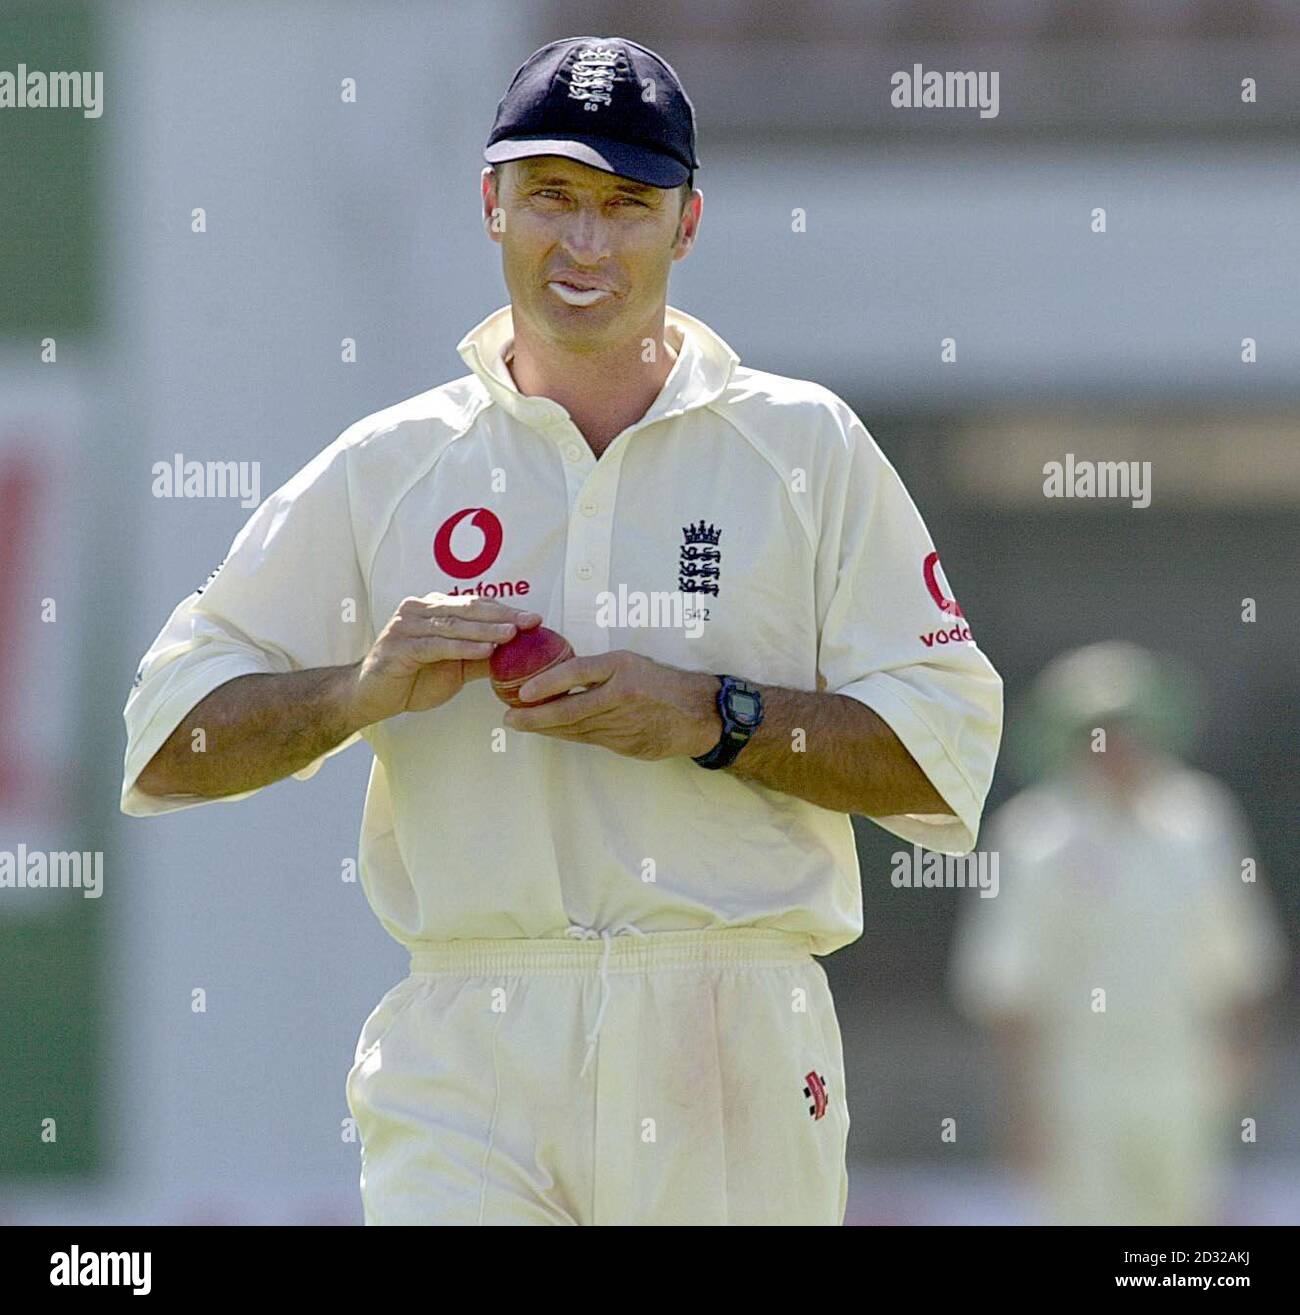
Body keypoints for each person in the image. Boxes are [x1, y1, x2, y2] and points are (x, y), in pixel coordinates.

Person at [121, 36, 1002, 1225]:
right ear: (492, 205)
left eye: (626, 206)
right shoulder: (392, 464)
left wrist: (713, 716)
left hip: (727, 1029)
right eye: (551, 197)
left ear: (687, 225)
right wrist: (356, 694)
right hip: (469, 1039)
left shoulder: (804, 449)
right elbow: (167, 738)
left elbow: (940, 750)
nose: (585, 244)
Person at [951, 641, 1286, 1225]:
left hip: (1183, 1068)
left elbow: (1243, 959)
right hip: (1075, 1080)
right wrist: (1021, 1107)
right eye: (1098, 729)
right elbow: (1007, 988)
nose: (1116, 745)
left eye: (1129, 726)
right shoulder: (1034, 835)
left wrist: (1237, 1069)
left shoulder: (1199, 820)